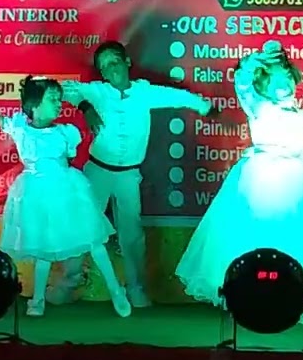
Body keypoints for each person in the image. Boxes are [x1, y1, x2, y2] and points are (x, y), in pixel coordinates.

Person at [175, 40, 303, 324]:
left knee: (295, 238)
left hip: (295, 184)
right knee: (253, 235)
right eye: (275, 78)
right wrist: (261, 58)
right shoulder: (258, 106)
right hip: (259, 179)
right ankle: (246, 294)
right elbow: (243, 81)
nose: (283, 84)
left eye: (287, 78)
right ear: (265, 83)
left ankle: (293, 295)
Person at [52, 41, 214, 308]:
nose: (110, 68)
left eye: (114, 61)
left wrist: (204, 107)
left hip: (128, 176)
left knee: (132, 234)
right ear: (101, 73)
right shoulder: (97, 92)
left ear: (127, 62)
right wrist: (85, 106)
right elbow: (63, 90)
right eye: (104, 66)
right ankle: (68, 284)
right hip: (98, 172)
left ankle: (136, 289)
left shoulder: (145, 93)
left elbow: (177, 97)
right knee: (84, 227)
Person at [0, 77, 132, 317]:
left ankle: (116, 291)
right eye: (52, 99)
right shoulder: (20, 128)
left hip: (67, 188)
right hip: (35, 192)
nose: (58, 103)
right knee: (44, 244)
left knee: (93, 240)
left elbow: (69, 157)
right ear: (34, 104)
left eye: (59, 99)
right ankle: (38, 299)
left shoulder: (65, 132)